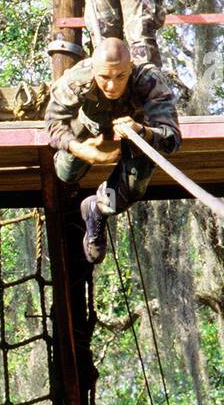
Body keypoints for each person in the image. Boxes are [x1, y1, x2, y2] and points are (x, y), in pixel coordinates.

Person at [45, 38, 181, 264]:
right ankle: (78, 153)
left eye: (120, 76)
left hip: (133, 136)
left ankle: (95, 209)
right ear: (94, 70)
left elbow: (172, 139)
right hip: (87, 132)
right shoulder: (77, 78)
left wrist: (142, 131)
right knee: (66, 173)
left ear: (131, 67)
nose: (112, 85)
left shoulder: (149, 79)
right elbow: (52, 122)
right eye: (104, 77)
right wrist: (78, 149)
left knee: (132, 189)